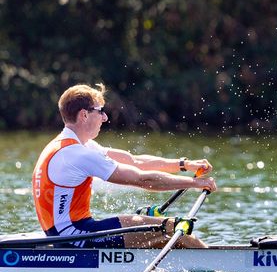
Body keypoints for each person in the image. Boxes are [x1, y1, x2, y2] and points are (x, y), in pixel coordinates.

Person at [33, 84, 218, 248]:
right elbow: (142, 180)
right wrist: (195, 184)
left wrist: (184, 164)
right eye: (100, 111)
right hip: (73, 237)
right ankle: (217, 268)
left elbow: (134, 162)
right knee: (173, 228)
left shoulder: (74, 146)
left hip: (72, 232)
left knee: (163, 231)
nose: (105, 117)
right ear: (84, 115)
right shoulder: (77, 154)